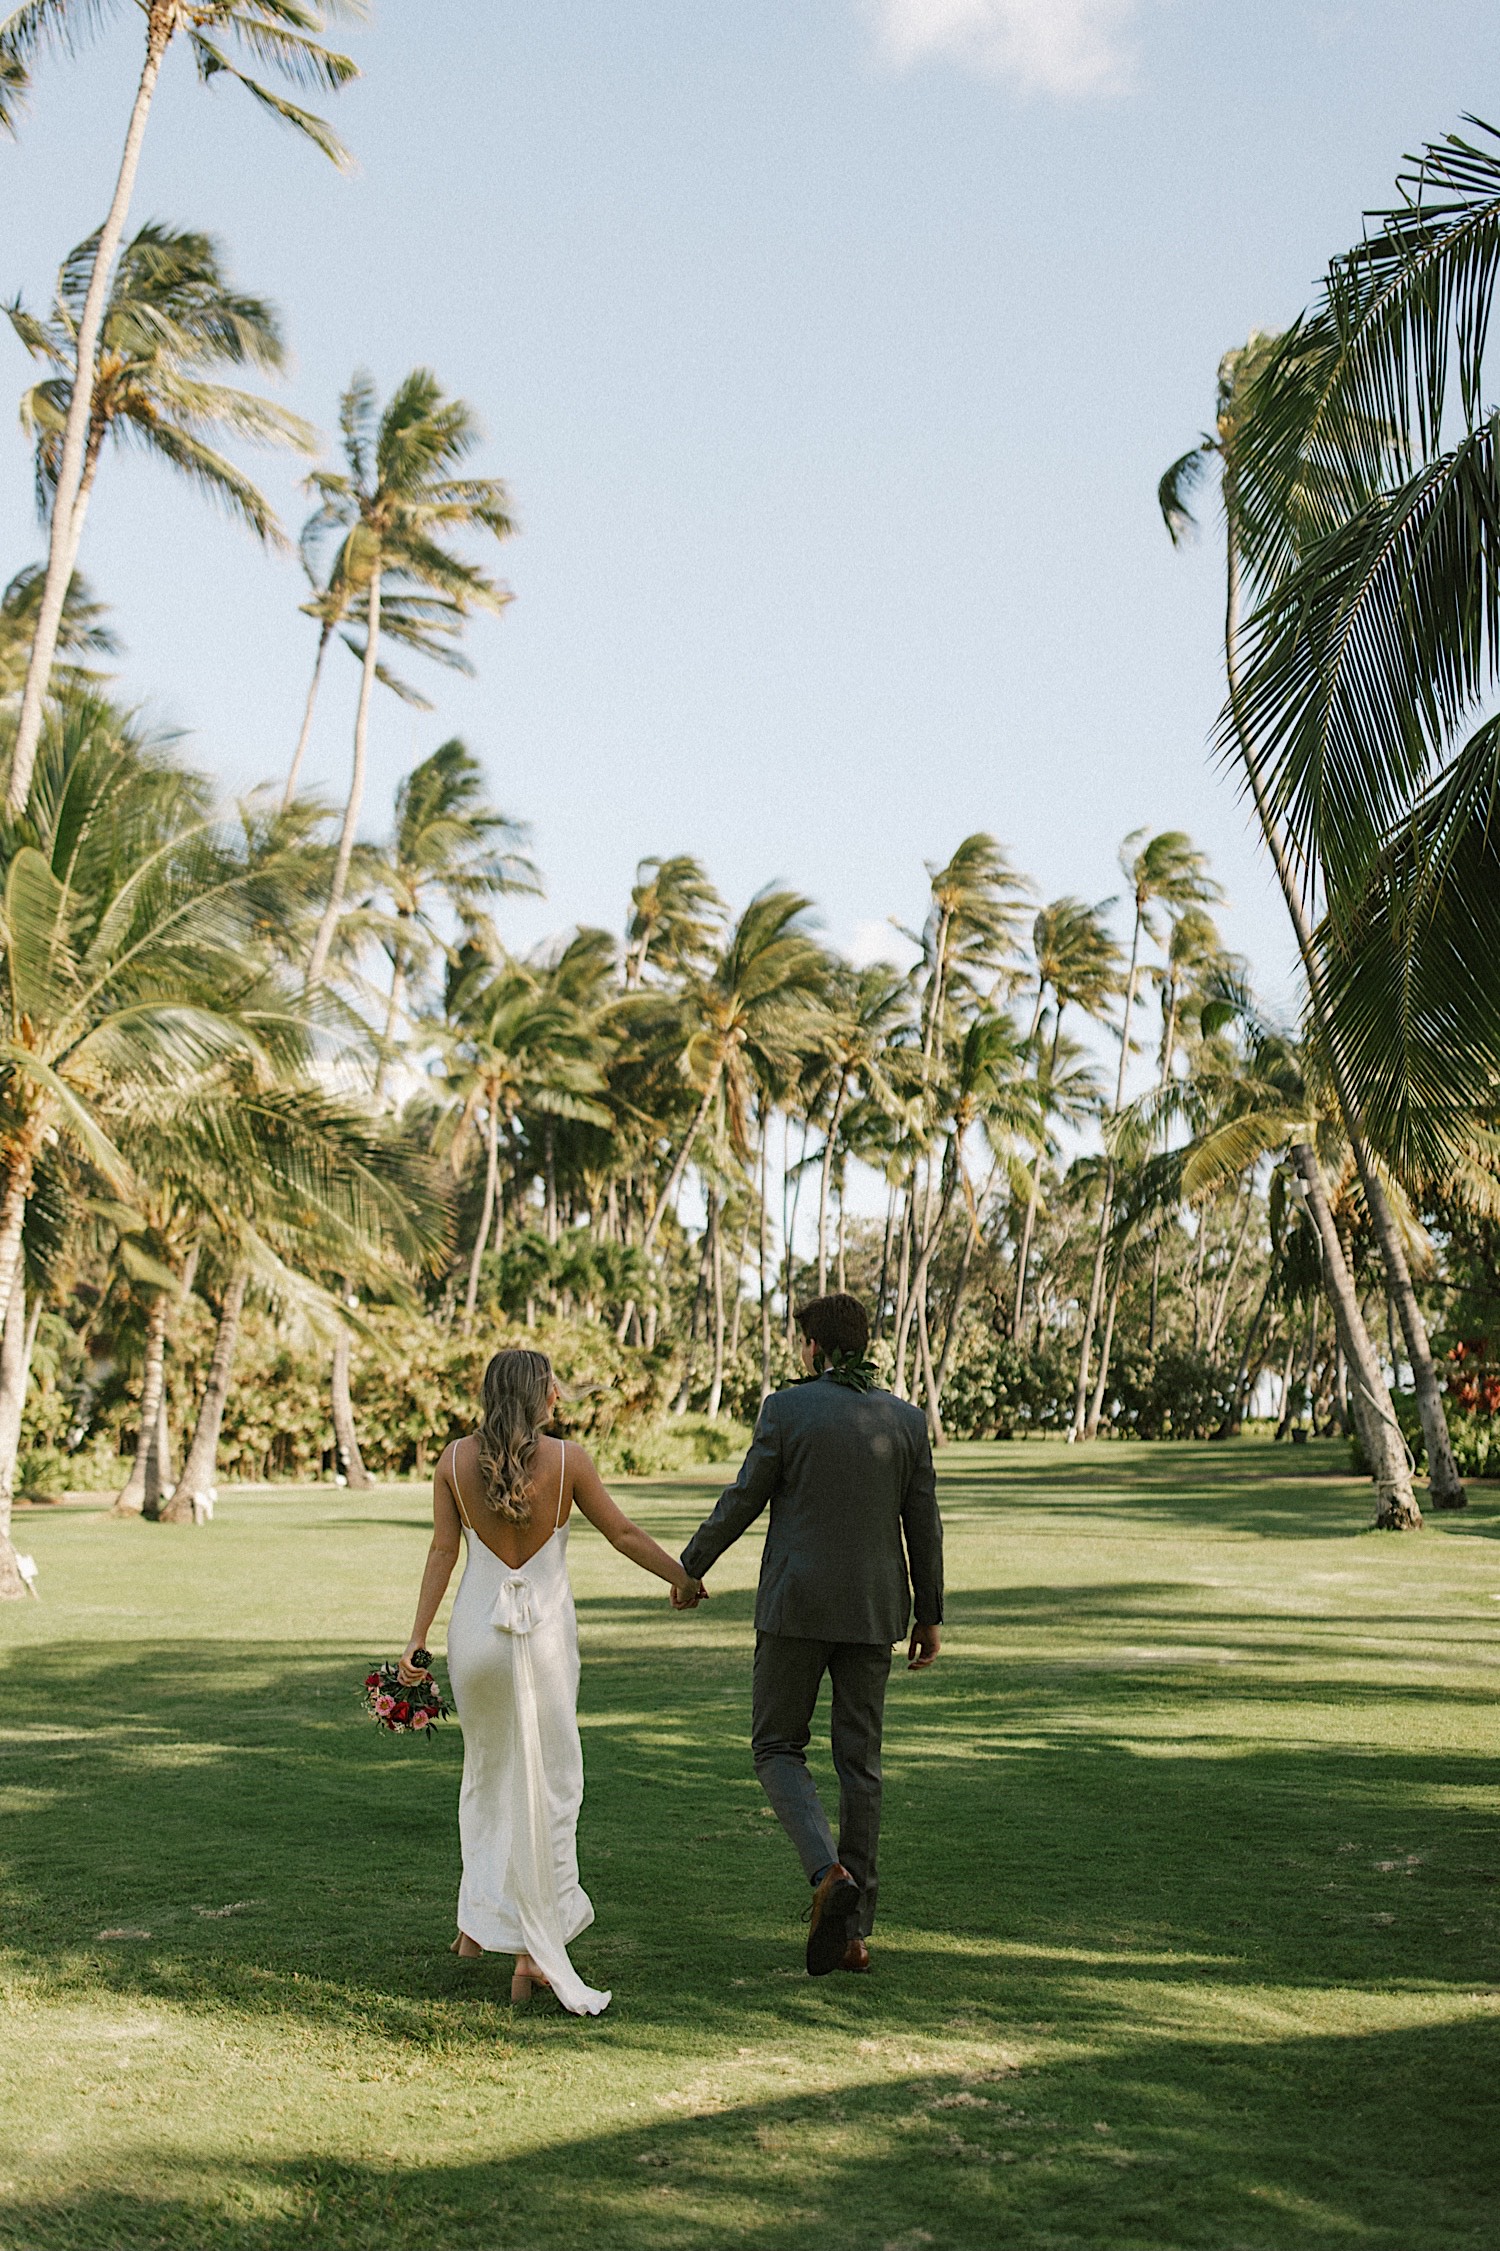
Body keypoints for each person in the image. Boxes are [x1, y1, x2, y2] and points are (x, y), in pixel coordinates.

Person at [397, 1347, 700, 2014]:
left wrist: (415, 1640)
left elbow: (443, 1549)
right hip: (545, 1641)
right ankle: (530, 1955)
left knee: (489, 1778)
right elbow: (622, 1533)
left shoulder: (453, 1461)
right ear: (541, 1396)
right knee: (550, 1789)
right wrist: (681, 1576)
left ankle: (478, 1924)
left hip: (477, 1638)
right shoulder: (569, 1461)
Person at [674, 1292, 943, 1976]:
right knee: (862, 1765)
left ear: (815, 1348)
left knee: (775, 1745)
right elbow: (924, 1525)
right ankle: (853, 1935)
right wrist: (929, 1614)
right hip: (874, 1613)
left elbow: (743, 1498)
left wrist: (689, 1567)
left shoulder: (786, 1409)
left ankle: (828, 1873)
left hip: (794, 1608)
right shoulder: (907, 1420)